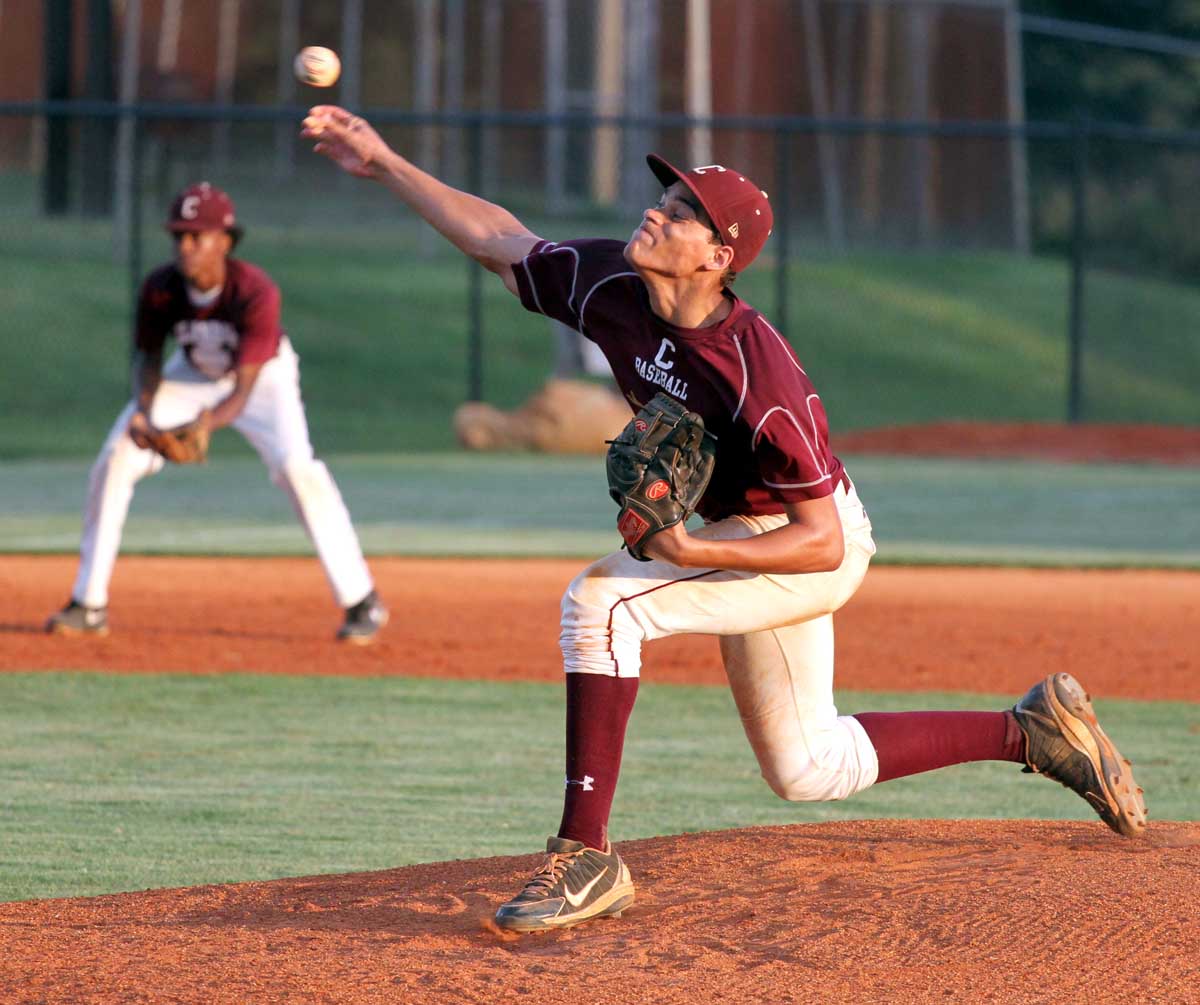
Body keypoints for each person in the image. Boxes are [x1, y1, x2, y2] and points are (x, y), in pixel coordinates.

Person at [301, 106, 1148, 932]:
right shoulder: (613, 285)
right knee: (806, 766)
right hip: (747, 533)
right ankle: (1032, 731)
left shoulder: (756, 374)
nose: (655, 212)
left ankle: (585, 854)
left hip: (806, 540)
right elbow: (500, 239)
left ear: (718, 256)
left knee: (601, 605)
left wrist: (688, 547)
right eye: (664, 199)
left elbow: (822, 541)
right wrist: (385, 163)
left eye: (681, 213)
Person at [45, 182, 388, 645]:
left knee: (297, 469)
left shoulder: (255, 291)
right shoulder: (161, 288)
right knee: (118, 456)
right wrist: (144, 413)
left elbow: (242, 391)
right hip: (190, 374)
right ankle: (88, 603)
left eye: (197, 235)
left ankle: (361, 599)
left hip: (263, 379)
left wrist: (204, 424)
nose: (185, 245)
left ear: (225, 241)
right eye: (179, 235)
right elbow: (148, 357)